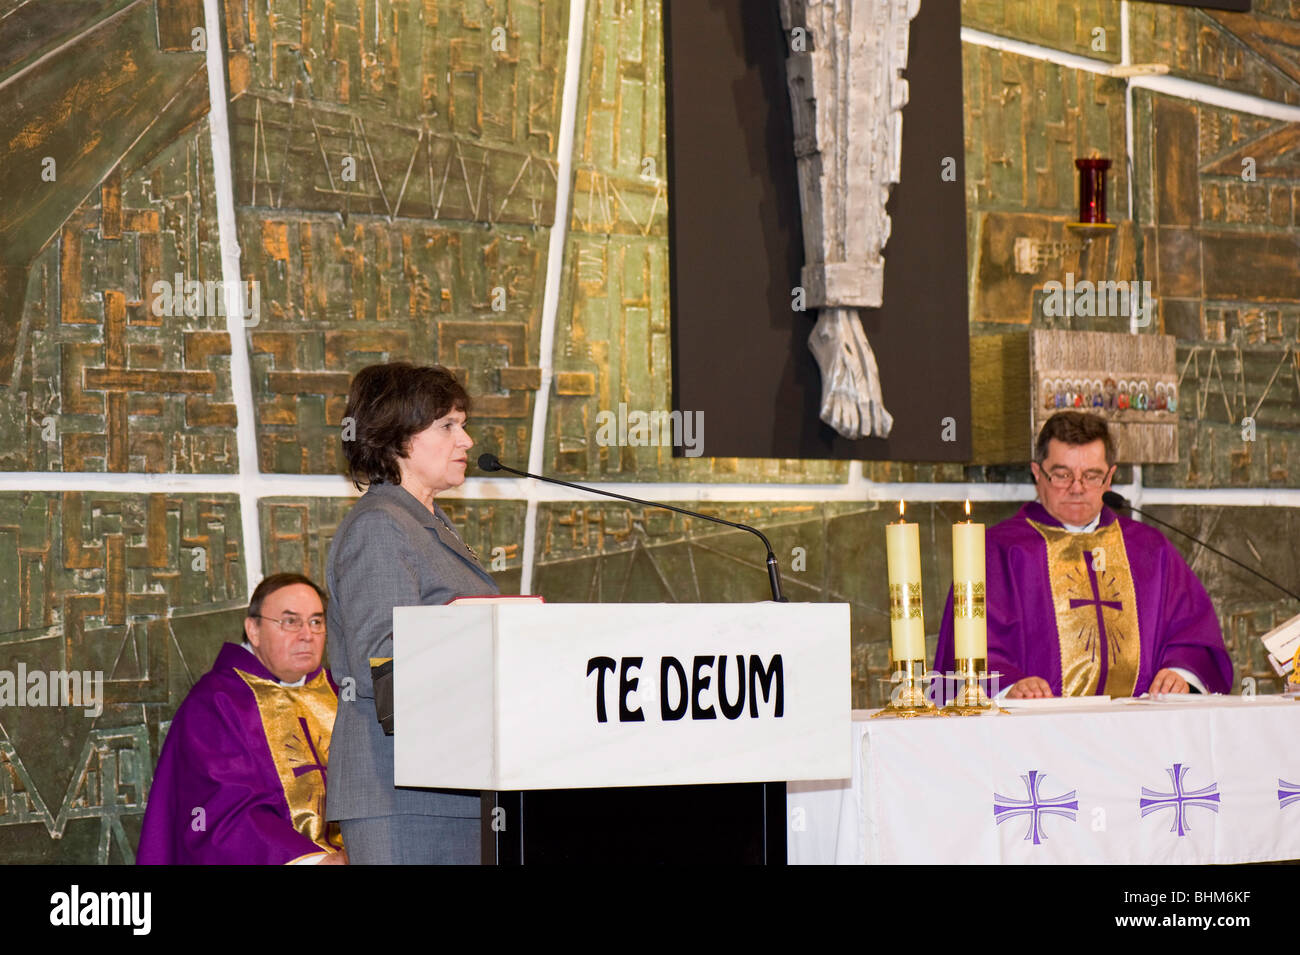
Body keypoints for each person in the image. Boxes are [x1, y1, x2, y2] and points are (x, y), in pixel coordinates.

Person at [326, 362, 499, 864]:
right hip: (400, 792)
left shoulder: (425, 522)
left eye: (462, 424)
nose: (465, 440)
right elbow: (386, 666)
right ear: (395, 435)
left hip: (444, 788)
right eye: (448, 426)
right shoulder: (381, 526)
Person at [934, 411, 1232, 700]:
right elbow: (969, 649)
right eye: (1062, 475)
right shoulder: (997, 551)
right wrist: (1009, 687)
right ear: (1037, 473)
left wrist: (1179, 673)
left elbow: (1193, 635)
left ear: (1110, 477)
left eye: (1092, 476)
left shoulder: (1149, 550)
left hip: (1141, 735)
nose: (1077, 488)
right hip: (1036, 735)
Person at [138, 573, 345, 865]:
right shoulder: (216, 703)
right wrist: (313, 862)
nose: (307, 635)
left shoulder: (341, 694)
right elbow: (221, 812)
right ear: (254, 630)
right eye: (290, 621)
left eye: (316, 621)